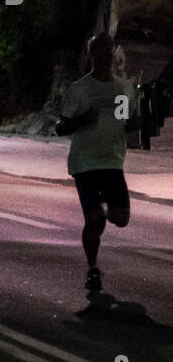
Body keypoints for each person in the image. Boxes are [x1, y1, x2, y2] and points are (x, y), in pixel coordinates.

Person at [55, 32, 134, 292]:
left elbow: (127, 122)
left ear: (113, 53)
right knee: (94, 220)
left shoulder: (123, 88)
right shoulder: (80, 89)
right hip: (86, 162)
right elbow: (60, 127)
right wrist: (80, 120)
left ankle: (105, 208)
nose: (103, 54)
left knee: (121, 218)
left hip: (112, 161)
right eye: (97, 49)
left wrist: (136, 124)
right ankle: (92, 269)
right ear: (90, 54)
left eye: (107, 49)